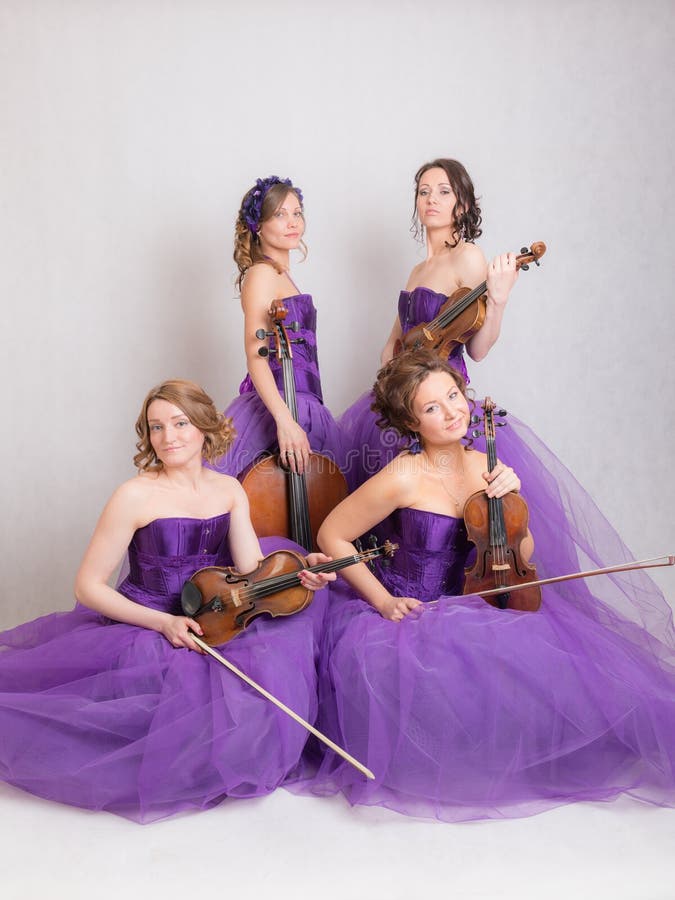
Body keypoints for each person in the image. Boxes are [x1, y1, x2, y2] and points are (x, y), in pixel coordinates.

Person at [297, 350, 675, 823]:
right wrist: (383, 599)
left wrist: (510, 503)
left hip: (475, 597)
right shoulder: (403, 476)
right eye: (432, 407)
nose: (453, 411)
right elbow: (332, 534)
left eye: (454, 395)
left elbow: (525, 553)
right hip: (414, 607)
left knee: (538, 667)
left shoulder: (490, 466)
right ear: (412, 423)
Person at [0, 379, 335, 823]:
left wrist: (299, 575)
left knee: (272, 664)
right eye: (157, 427)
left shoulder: (229, 489)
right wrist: (162, 624)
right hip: (146, 621)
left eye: (179, 423)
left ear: (204, 427)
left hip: (213, 617)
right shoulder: (134, 494)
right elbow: (89, 587)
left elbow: (251, 569)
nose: (169, 437)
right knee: (156, 708)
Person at [340, 158, 519, 488]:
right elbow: (391, 345)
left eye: (443, 191)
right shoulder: (417, 271)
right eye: (424, 192)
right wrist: (394, 387)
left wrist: (499, 300)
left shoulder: (468, 257)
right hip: (407, 397)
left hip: (442, 398)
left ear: (462, 204)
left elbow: (477, 350)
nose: (431, 199)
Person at [211, 175, 345, 479]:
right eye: (280, 215)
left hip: (306, 404)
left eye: (296, 213)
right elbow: (255, 354)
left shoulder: (281, 275)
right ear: (258, 225)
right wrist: (284, 420)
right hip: (281, 404)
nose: (292, 222)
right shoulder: (261, 274)